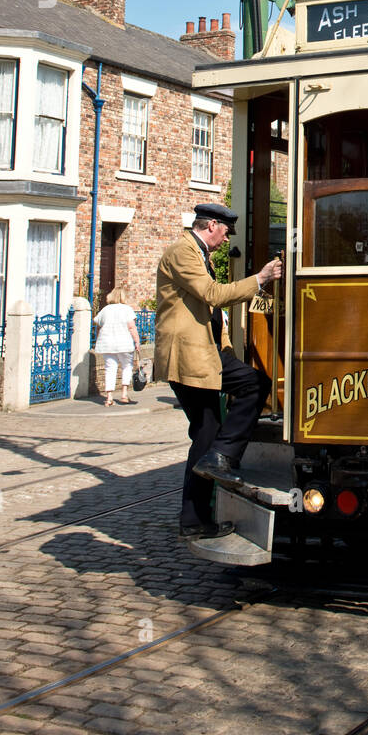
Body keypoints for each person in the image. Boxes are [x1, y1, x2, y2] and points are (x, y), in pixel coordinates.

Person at [154, 203, 282, 540]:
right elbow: (213, 295)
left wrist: (226, 349)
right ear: (212, 225)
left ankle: (196, 513)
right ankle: (219, 462)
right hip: (188, 357)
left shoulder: (199, 254)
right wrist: (261, 278)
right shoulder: (182, 252)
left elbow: (208, 313)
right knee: (248, 392)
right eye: (225, 232)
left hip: (205, 354)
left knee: (209, 433)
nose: (226, 240)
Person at [94, 287, 141, 407]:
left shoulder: (105, 310)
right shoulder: (126, 309)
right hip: (124, 342)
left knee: (110, 368)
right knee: (127, 366)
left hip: (107, 343)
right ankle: (124, 393)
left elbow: (98, 325)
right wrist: (137, 341)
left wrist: (98, 339)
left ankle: (109, 397)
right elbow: (131, 327)